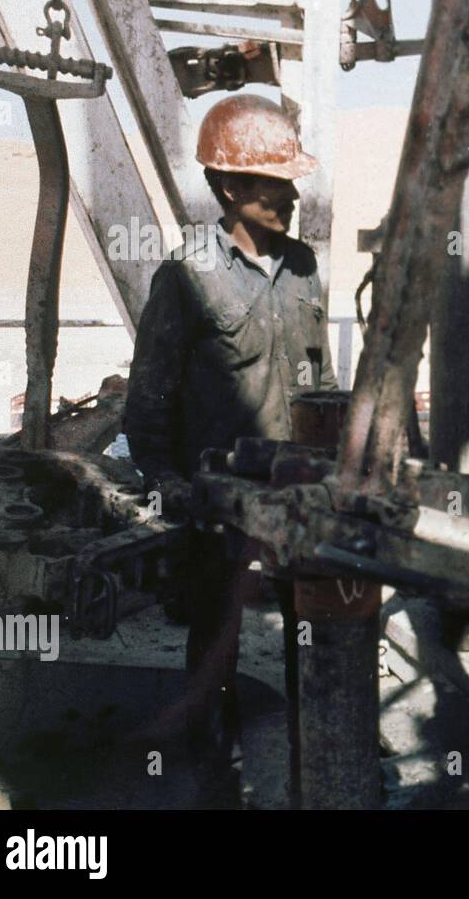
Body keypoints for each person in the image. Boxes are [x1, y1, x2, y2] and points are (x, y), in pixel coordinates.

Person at [123, 93, 337, 806]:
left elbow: (320, 380)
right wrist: (168, 486)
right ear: (229, 188)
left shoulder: (305, 267)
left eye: (292, 179)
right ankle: (214, 778)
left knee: (317, 631)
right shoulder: (185, 275)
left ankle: (319, 766)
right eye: (277, 183)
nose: (293, 195)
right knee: (216, 640)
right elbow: (148, 402)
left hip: (295, 493)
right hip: (217, 502)